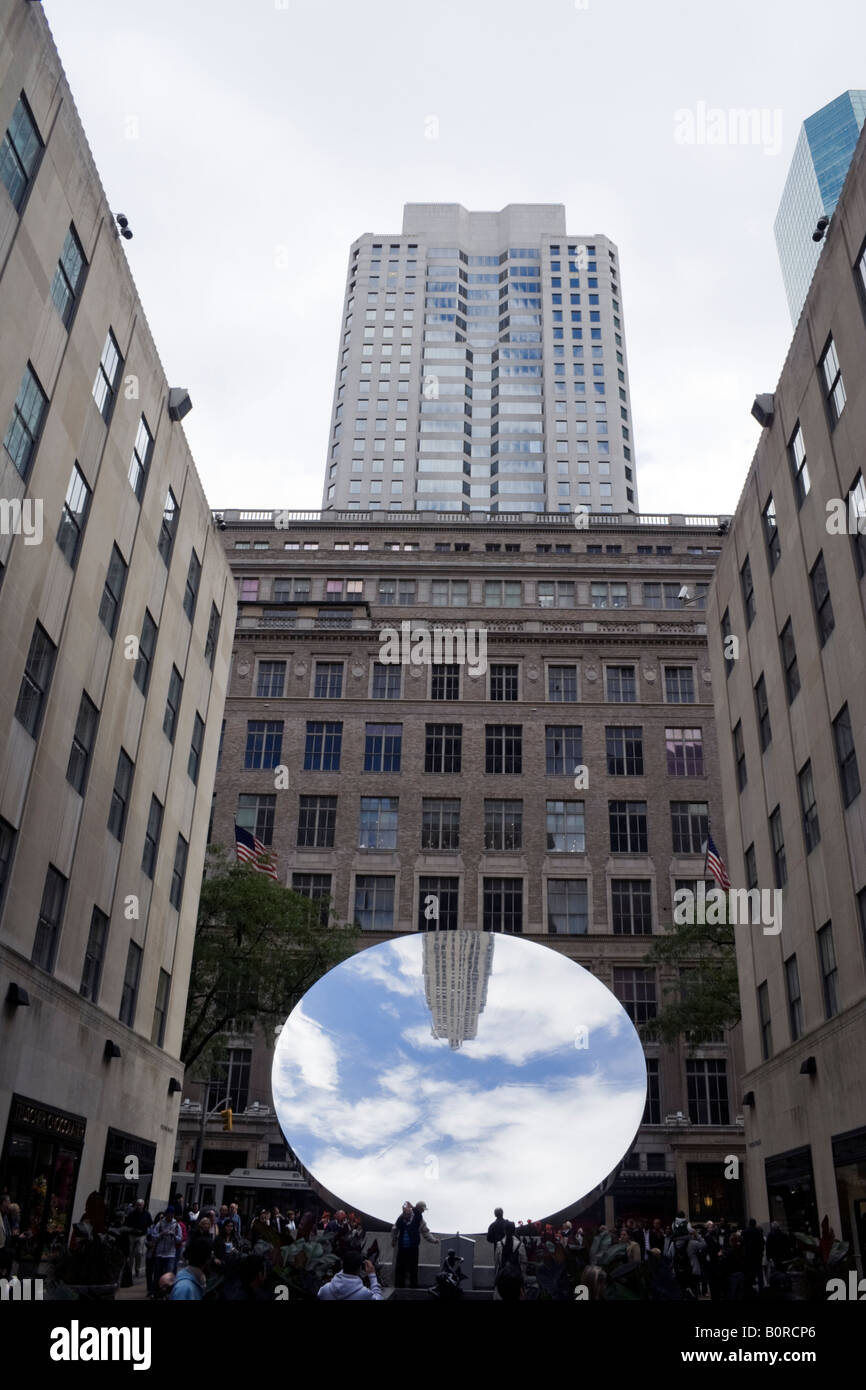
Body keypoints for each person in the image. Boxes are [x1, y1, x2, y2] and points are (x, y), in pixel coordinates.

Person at [390, 1200, 436, 1289]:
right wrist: (394, 1239)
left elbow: (425, 1231)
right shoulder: (401, 1218)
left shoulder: (419, 1219)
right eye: (422, 1209)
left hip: (413, 1248)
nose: (423, 1211)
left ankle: (413, 1287)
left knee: (413, 1269)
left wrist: (433, 1240)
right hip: (402, 1247)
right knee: (400, 1268)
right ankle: (399, 1287)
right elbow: (395, 1229)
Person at [318, 1248, 383, 1300]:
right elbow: (378, 1298)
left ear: (342, 1265)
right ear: (360, 1269)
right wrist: (372, 1276)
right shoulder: (364, 1294)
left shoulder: (325, 1289)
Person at [152, 1208, 183, 1290]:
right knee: (157, 1274)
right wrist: (161, 1234)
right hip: (159, 1253)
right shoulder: (160, 1223)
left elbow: (180, 1239)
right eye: (169, 1215)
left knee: (168, 1275)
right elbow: (153, 1236)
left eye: (172, 1215)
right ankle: (156, 1291)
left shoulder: (176, 1225)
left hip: (170, 1254)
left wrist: (173, 1235)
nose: (170, 1217)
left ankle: (167, 1292)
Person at [125, 1199, 152, 1278]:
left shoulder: (146, 1214)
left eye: (140, 1205)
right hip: (132, 1235)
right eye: (137, 1205)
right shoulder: (132, 1213)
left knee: (139, 1252)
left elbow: (150, 1224)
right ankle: (129, 1270)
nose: (138, 1206)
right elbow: (127, 1223)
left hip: (141, 1235)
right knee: (131, 1254)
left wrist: (149, 1236)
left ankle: (137, 1269)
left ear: (143, 1205)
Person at [742, 1218, 765, 1293]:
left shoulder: (745, 1231)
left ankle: (750, 1288)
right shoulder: (758, 1231)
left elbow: (743, 1243)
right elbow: (762, 1243)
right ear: (755, 1224)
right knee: (759, 1272)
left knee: (750, 1272)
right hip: (757, 1255)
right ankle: (761, 1288)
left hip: (749, 1255)